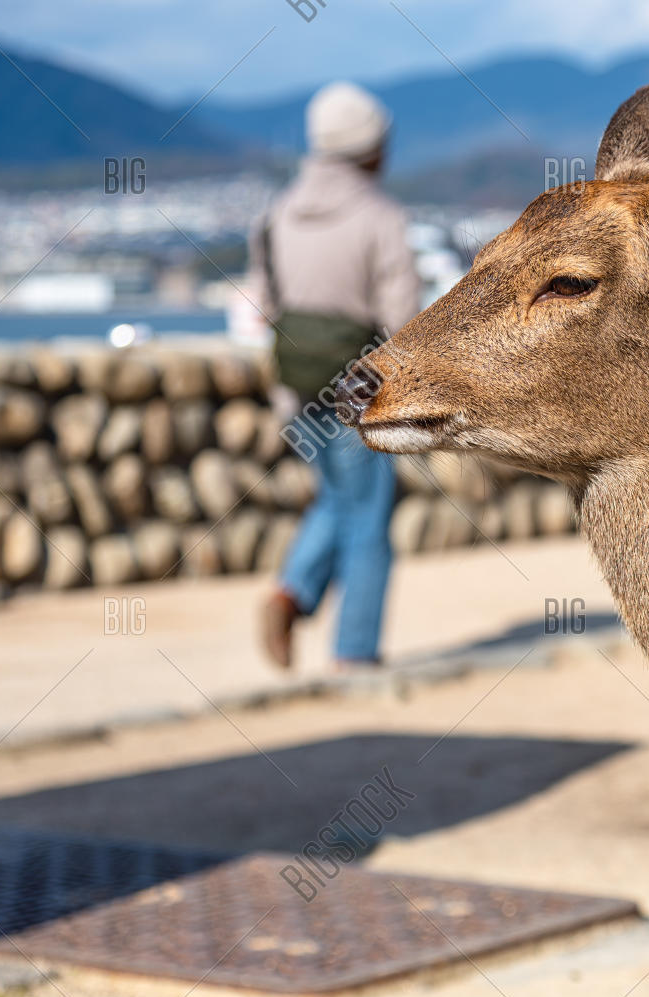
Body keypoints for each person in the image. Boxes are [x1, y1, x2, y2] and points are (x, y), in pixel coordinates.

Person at [249, 81, 420, 669]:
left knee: (339, 500)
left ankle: (289, 593)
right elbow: (402, 321)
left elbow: (265, 305)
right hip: (357, 393)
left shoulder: (274, 217)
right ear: (368, 146)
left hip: (294, 389)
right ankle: (355, 653)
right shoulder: (382, 218)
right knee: (368, 517)